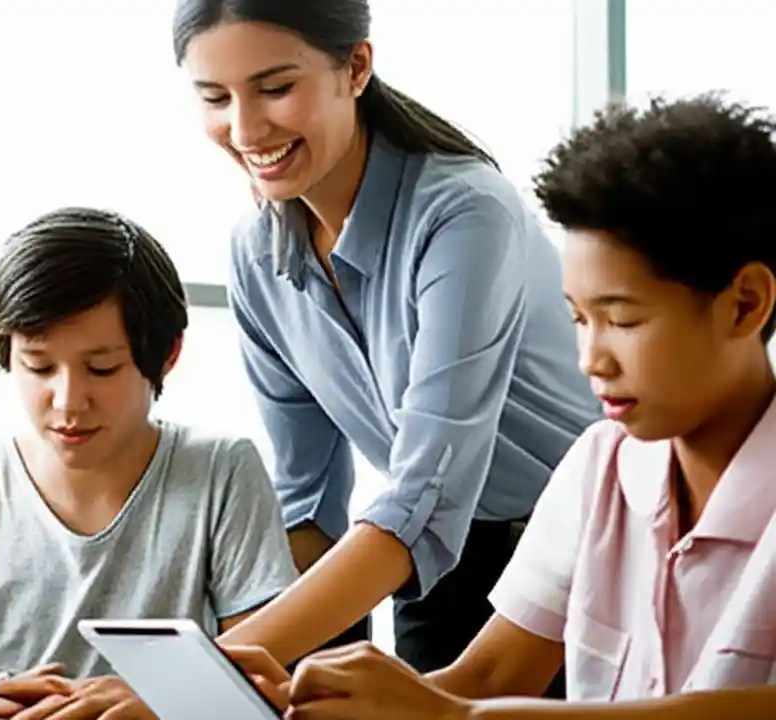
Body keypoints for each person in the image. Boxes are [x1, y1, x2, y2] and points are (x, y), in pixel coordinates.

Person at [229, 93, 776, 718]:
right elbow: (490, 672)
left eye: (622, 321)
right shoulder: (596, 467)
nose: (592, 360)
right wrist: (334, 702)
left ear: (745, 304)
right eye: (578, 319)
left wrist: (456, 717)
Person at [171, 0, 600, 673]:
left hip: (582, 553)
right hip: (427, 563)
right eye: (214, 97)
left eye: (276, 88)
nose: (245, 127)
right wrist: (232, 666)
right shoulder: (258, 256)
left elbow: (424, 489)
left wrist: (205, 669)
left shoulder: (464, 213)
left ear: (357, 67)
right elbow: (308, 507)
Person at [0, 207, 298, 719]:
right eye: (38, 366)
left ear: (167, 355)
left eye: (102, 369)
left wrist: (169, 704)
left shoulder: (221, 472)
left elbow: (267, 686)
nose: (68, 401)